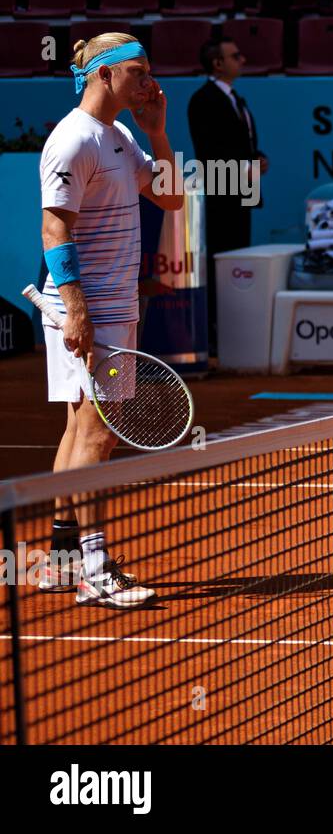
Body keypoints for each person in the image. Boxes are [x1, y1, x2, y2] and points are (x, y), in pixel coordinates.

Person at [35, 32, 184, 609]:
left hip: (114, 309)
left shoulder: (120, 135)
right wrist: (77, 311)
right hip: (90, 311)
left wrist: (158, 132)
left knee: (78, 430)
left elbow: (170, 199)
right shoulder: (73, 140)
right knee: (99, 433)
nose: (150, 82)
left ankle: (63, 556)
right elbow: (55, 230)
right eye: (139, 72)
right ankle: (95, 569)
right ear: (104, 76)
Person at [188, 36, 268, 359]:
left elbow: (243, 144)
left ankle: (234, 332)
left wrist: (258, 159)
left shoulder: (237, 99)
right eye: (236, 56)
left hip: (242, 190)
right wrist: (247, 166)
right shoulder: (203, 100)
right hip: (222, 192)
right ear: (217, 63)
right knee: (221, 261)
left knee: (237, 262)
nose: (243, 59)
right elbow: (209, 152)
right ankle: (215, 335)